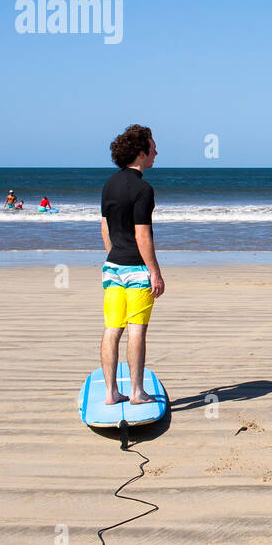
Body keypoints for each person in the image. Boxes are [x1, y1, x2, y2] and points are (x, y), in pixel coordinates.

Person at [99, 125, 164, 407]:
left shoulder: (109, 184)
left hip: (112, 267)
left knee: (112, 328)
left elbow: (105, 226)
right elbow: (142, 234)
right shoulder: (143, 188)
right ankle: (137, 392)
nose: (156, 152)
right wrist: (155, 272)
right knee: (136, 329)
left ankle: (111, 393)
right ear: (141, 153)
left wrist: (114, 255)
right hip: (136, 269)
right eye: (152, 147)